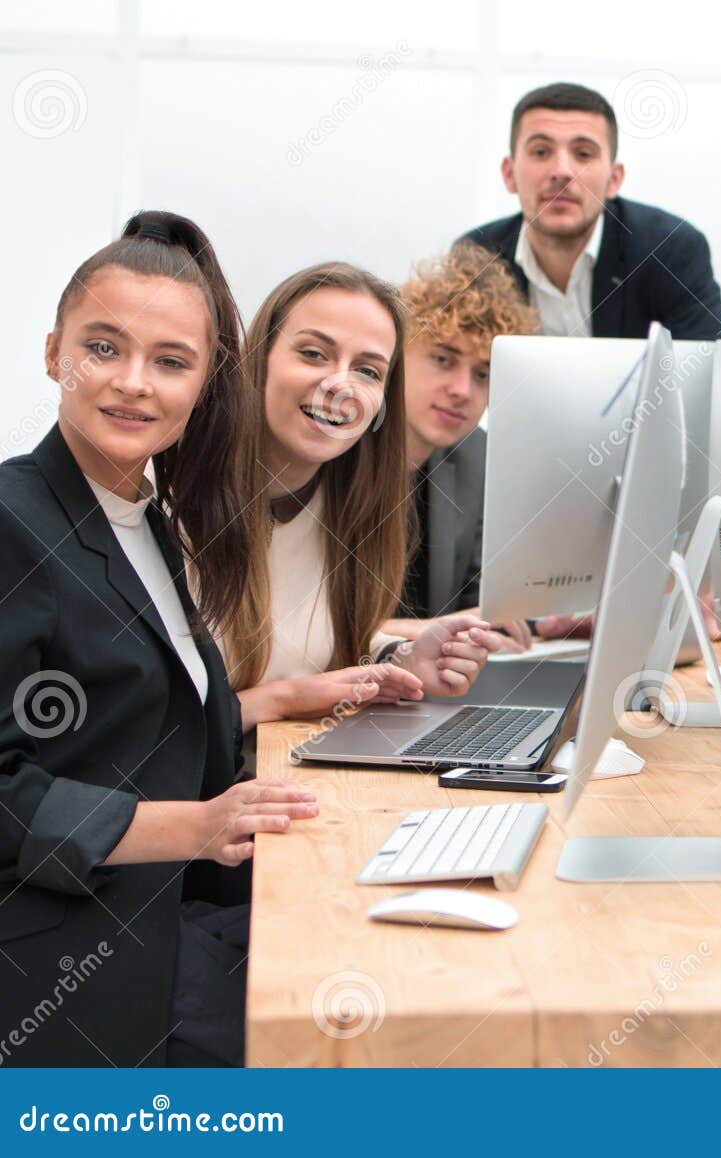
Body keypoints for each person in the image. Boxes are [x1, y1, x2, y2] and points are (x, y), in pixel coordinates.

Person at [0, 212, 317, 1066]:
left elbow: (131, 725)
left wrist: (283, 700)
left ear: (204, 383)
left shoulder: (143, 518)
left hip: (170, 910)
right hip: (65, 950)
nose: (134, 383)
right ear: (52, 353)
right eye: (103, 348)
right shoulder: (11, 520)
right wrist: (197, 828)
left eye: (170, 362)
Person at [215, 263, 500, 730]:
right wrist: (282, 700)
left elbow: (310, 641)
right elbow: (148, 721)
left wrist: (402, 658)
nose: (339, 384)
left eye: (367, 370)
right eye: (312, 354)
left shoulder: (348, 496)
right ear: (261, 357)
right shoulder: (174, 493)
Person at [460, 81, 721, 341]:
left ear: (614, 179)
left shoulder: (671, 250)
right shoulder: (475, 257)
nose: (562, 172)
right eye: (541, 152)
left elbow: (706, 368)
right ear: (509, 175)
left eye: (584, 154)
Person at [381, 242, 539, 649]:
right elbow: (302, 623)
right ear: (397, 354)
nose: (462, 391)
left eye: (483, 373)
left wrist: (542, 622)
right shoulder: (335, 449)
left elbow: (475, 605)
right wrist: (421, 633)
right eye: (443, 359)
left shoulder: (476, 456)